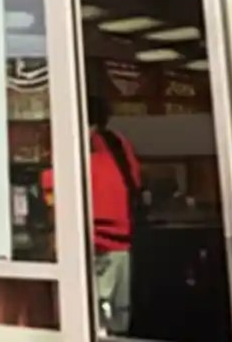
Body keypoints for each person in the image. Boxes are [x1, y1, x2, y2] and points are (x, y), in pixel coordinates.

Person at [41, 93, 142, 336]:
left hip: (87, 244)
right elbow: (135, 183)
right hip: (120, 243)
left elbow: (52, 188)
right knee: (115, 318)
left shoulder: (74, 146)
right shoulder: (119, 143)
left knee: (86, 316)